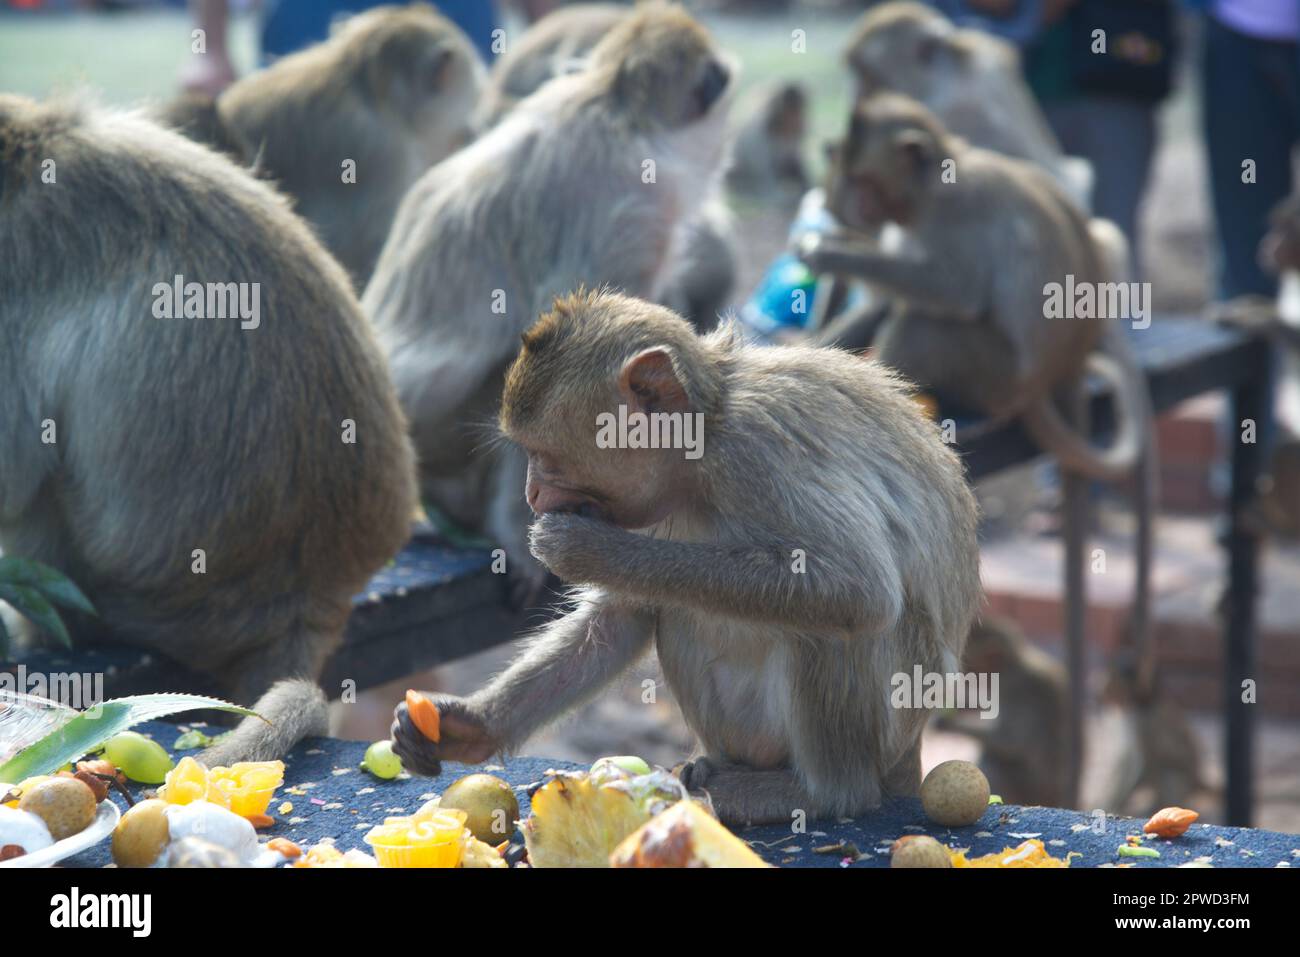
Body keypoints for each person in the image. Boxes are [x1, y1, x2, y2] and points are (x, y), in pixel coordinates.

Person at [180, 0, 556, 95]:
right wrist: (210, 52)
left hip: (453, 89)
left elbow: (545, 18)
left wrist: (552, 49)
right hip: (308, 81)